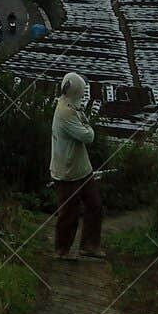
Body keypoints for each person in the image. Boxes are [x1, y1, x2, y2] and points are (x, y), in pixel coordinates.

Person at [50, 72, 104, 261]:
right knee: (68, 215)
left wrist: (83, 119)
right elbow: (88, 136)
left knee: (95, 206)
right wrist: (88, 126)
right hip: (67, 172)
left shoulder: (69, 105)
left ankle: (89, 246)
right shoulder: (66, 112)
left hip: (82, 168)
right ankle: (62, 250)